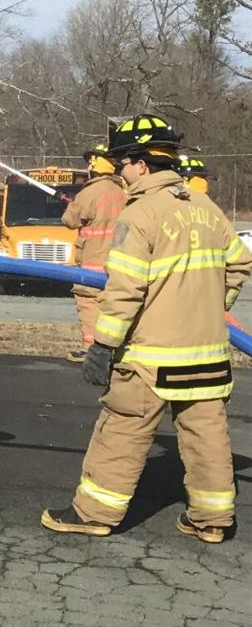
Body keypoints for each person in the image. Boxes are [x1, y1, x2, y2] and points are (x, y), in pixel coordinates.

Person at [42, 114, 251, 543]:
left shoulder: (140, 214)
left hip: (152, 358)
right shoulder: (206, 208)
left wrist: (103, 345)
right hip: (209, 355)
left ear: (141, 164)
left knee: (121, 432)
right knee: (206, 439)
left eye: (122, 163)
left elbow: (125, 290)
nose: (119, 171)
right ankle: (211, 521)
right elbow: (240, 263)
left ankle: (94, 513)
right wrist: (214, 306)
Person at [60, 142, 127, 364]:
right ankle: (115, 347)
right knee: (116, 307)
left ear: (94, 165)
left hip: (93, 264)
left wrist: (72, 205)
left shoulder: (90, 192)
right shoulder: (124, 192)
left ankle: (91, 349)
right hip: (121, 265)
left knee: (89, 305)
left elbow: (69, 221)